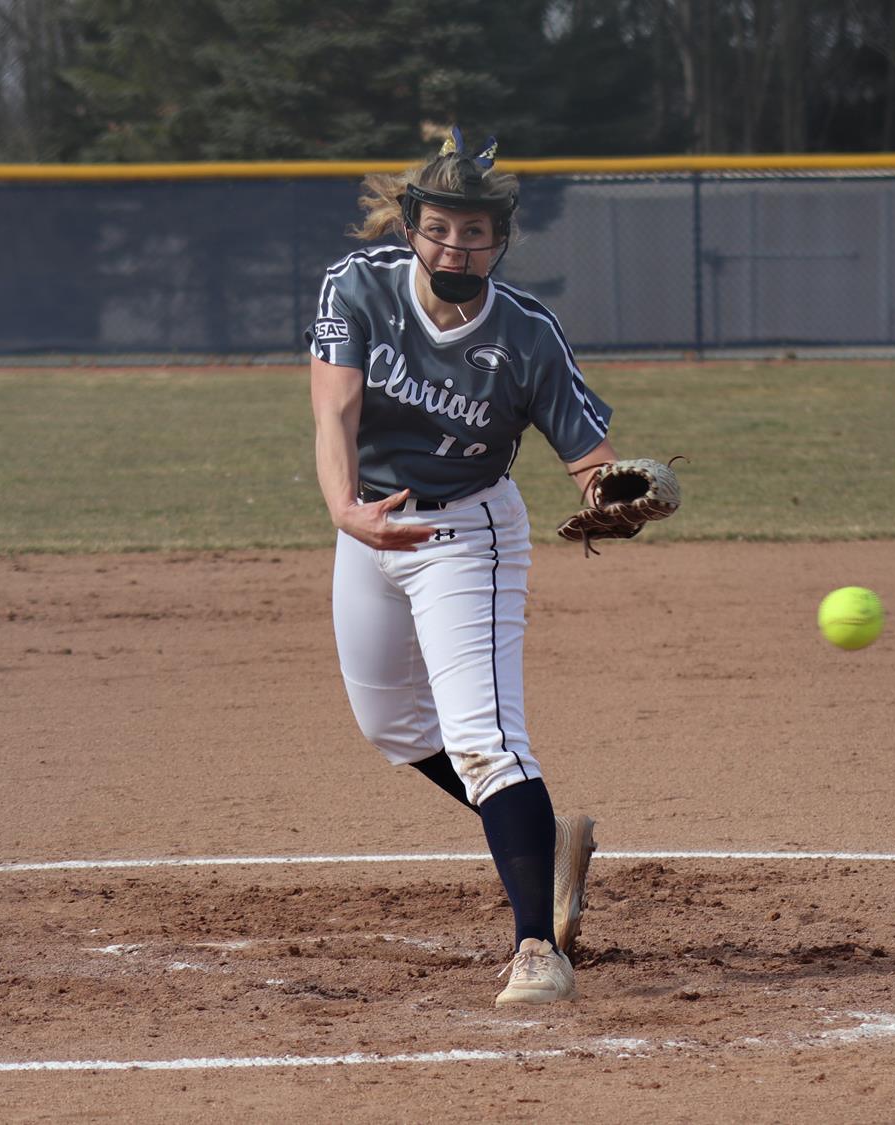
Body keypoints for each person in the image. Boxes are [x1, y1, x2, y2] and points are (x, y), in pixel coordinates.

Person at [307, 128, 614, 1005]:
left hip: (467, 537)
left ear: (500, 239)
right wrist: (344, 511)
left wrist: (613, 497)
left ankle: (535, 949)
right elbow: (334, 412)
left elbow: (589, 459)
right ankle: (544, 837)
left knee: (485, 739)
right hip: (368, 525)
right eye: (440, 227)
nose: (456, 246)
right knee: (393, 727)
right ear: (412, 225)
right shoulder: (356, 287)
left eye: (475, 232)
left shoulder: (525, 334)